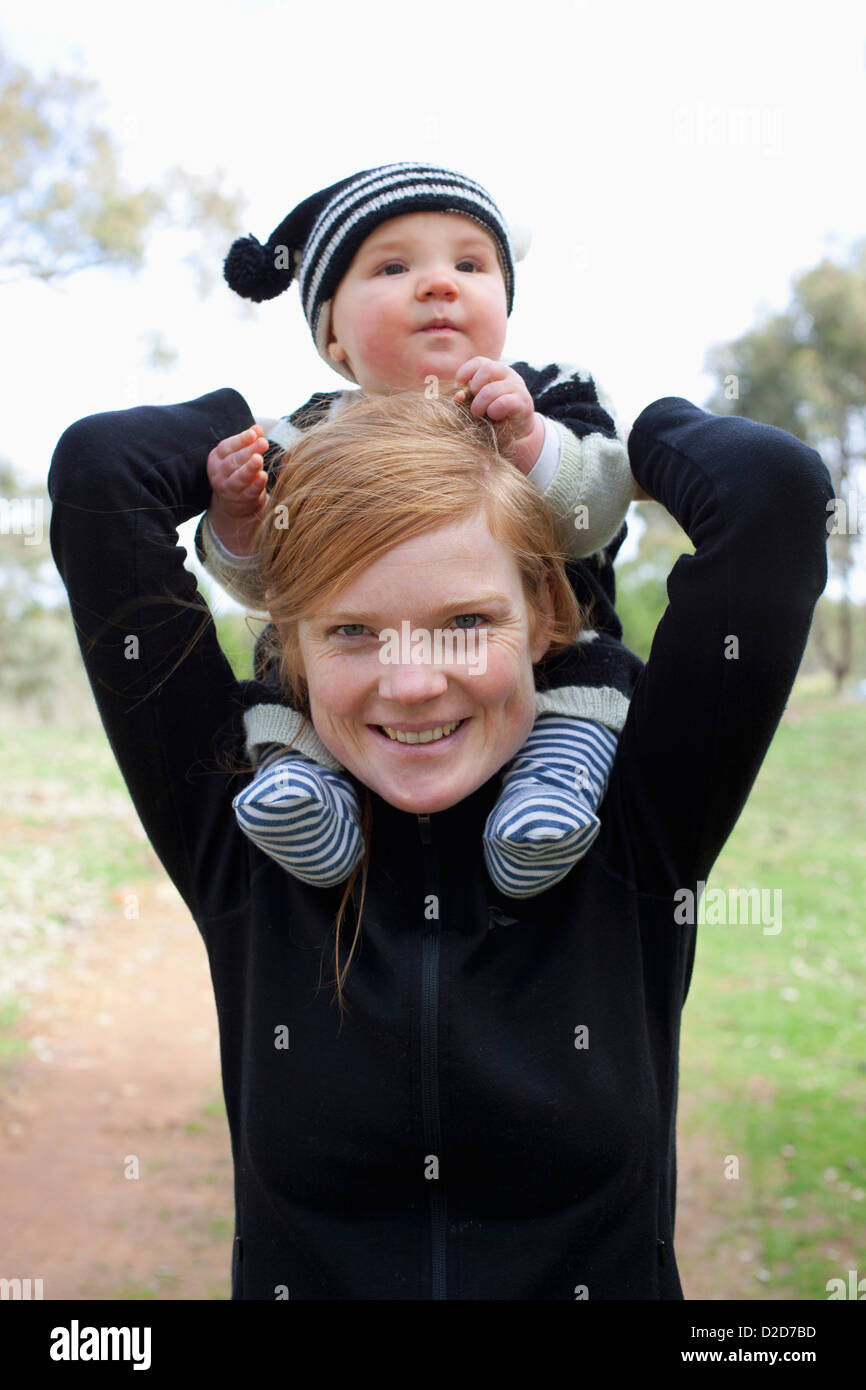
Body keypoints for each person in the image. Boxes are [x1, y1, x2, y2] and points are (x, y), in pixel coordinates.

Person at [48, 386, 831, 1300]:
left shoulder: (635, 818)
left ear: (542, 614)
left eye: (466, 623)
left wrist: (595, 449)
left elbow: (772, 493)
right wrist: (303, 420)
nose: (413, 684)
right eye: (352, 631)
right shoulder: (247, 823)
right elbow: (104, 474)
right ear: (293, 647)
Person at [197, 161, 644, 899]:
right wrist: (240, 521)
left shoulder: (547, 394)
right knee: (279, 676)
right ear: (334, 337)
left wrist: (530, 442)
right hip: (339, 681)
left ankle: (551, 787)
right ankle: (306, 792)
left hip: (552, 643)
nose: (439, 283)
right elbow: (272, 587)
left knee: (592, 672)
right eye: (395, 265)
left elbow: (595, 511)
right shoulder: (302, 434)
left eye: (469, 264)